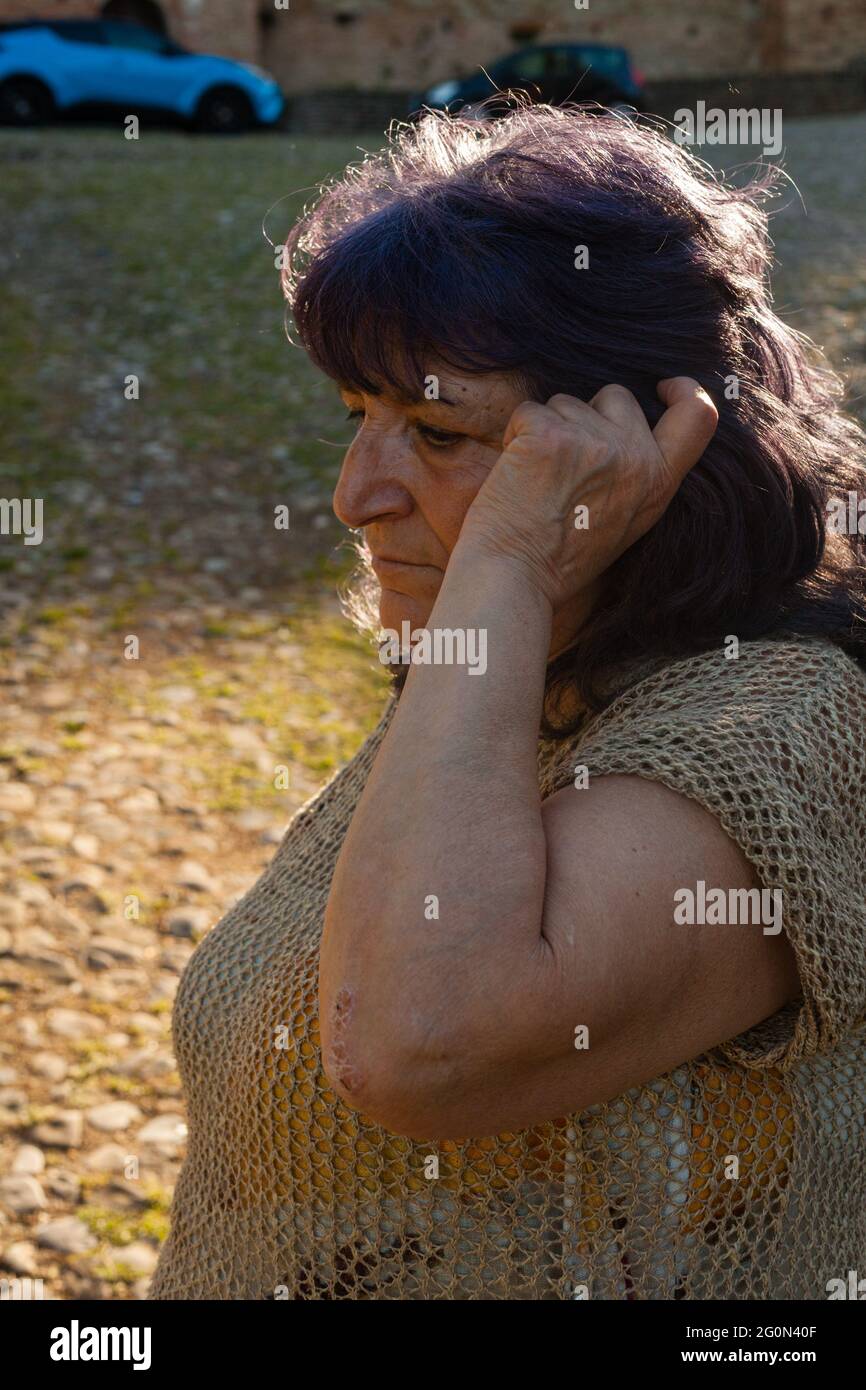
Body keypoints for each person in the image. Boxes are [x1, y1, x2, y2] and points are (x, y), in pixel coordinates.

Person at [150, 105, 866, 1301]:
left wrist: (509, 563)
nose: (353, 495)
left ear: (642, 449)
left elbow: (416, 1044)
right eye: (355, 417)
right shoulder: (522, 680)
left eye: (434, 430)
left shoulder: (781, 731)